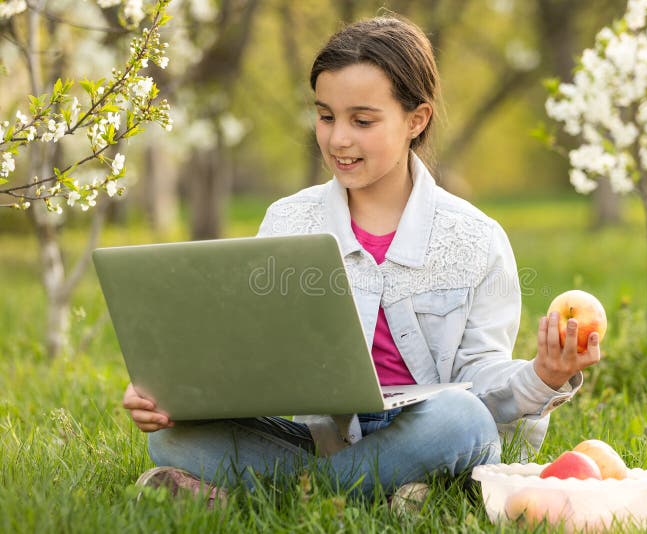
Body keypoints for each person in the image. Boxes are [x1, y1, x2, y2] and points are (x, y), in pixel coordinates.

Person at [123, 15, 602, 505]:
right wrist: (174, 394)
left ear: (417, 119)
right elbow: (250, 359)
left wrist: (544, 376)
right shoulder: (289, 222)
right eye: (326, 116)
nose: (338, 140)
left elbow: (482, 381)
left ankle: (283, 497)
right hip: (328, 441)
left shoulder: (475, 238)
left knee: (463, 418)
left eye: (363, 121)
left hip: (431, 432)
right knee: (171, 436)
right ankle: (382, 492)